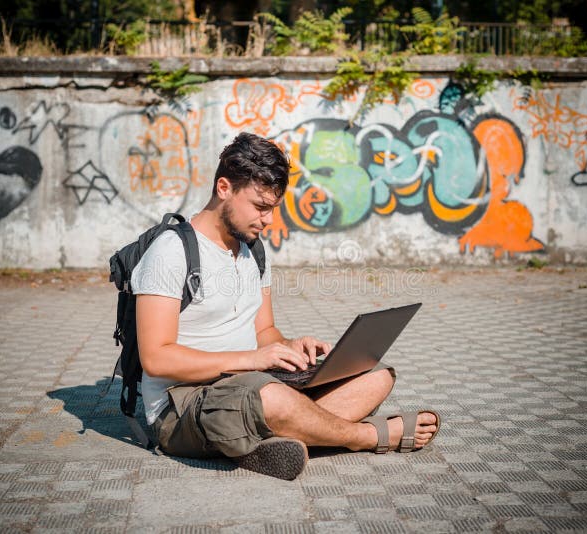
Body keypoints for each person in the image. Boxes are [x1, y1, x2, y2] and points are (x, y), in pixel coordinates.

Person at [132, 132, 439, 480]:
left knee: (376, 375)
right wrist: (251, 360)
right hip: (184, 404)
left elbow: (264, 331)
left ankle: (273, 439)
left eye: (272, 209)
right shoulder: (170, 252)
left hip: (253, 382)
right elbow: (156, 359)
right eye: (260, 207)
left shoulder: (253, 250)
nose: (268, 220)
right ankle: (362, 437)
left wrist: (289, 347)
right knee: (273, 399)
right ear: (223, 189)